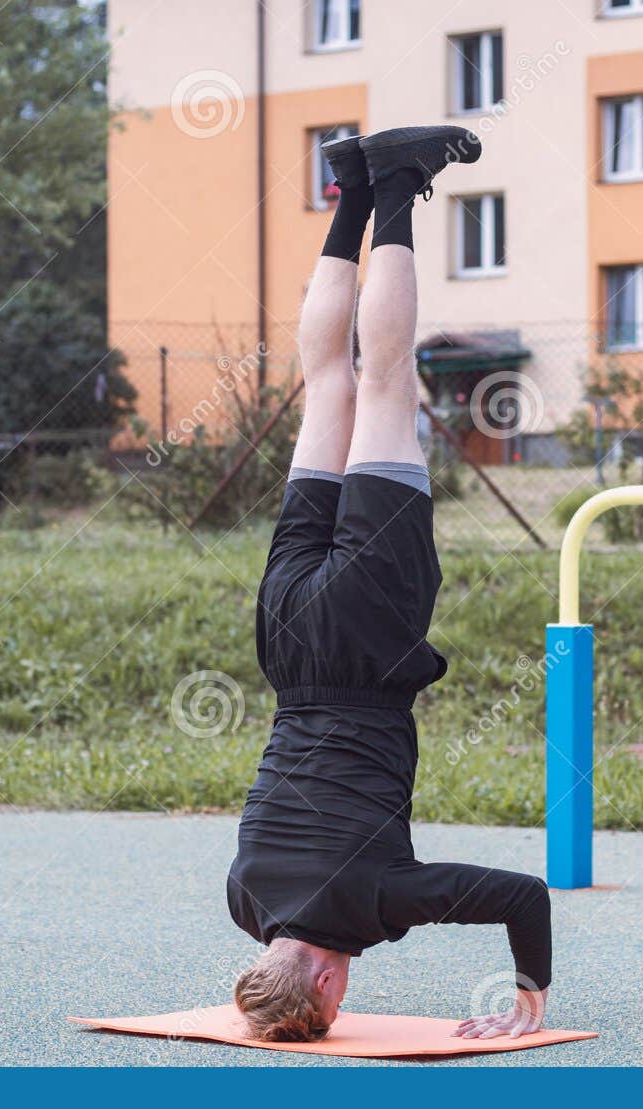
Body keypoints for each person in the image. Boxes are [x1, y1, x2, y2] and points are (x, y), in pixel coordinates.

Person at [226, 126, 551, 1043]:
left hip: (367, 643)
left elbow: (523, 895)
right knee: (327, 382)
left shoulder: (371, 904)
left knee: (385, 383)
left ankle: (400, 182)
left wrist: (529, 995)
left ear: (327, 983)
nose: (344, 997)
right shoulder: (245, 899)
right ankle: (352, 192)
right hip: (287, 645)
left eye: (335, 1000)